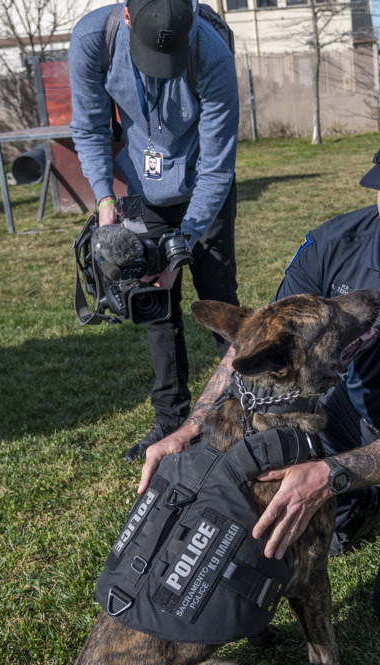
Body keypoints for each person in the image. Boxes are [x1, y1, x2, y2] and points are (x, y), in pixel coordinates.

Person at [141, 106, 380, 632]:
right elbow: (255, 345)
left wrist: (327, 476)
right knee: (276, 515)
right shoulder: (332, 243)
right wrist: (188, 429)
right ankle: (358, 500)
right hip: (338, 417)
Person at [69, 0, 241, 460]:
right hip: (142, 190)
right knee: (154, 305)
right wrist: (106, 199)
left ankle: (240, 410)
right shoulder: (93, 41)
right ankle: (170, 421)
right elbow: (87, 128)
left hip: (204, 187)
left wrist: (184, 241)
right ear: (127, 16)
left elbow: (218, 165)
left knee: (218, 301)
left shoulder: (213, 55)